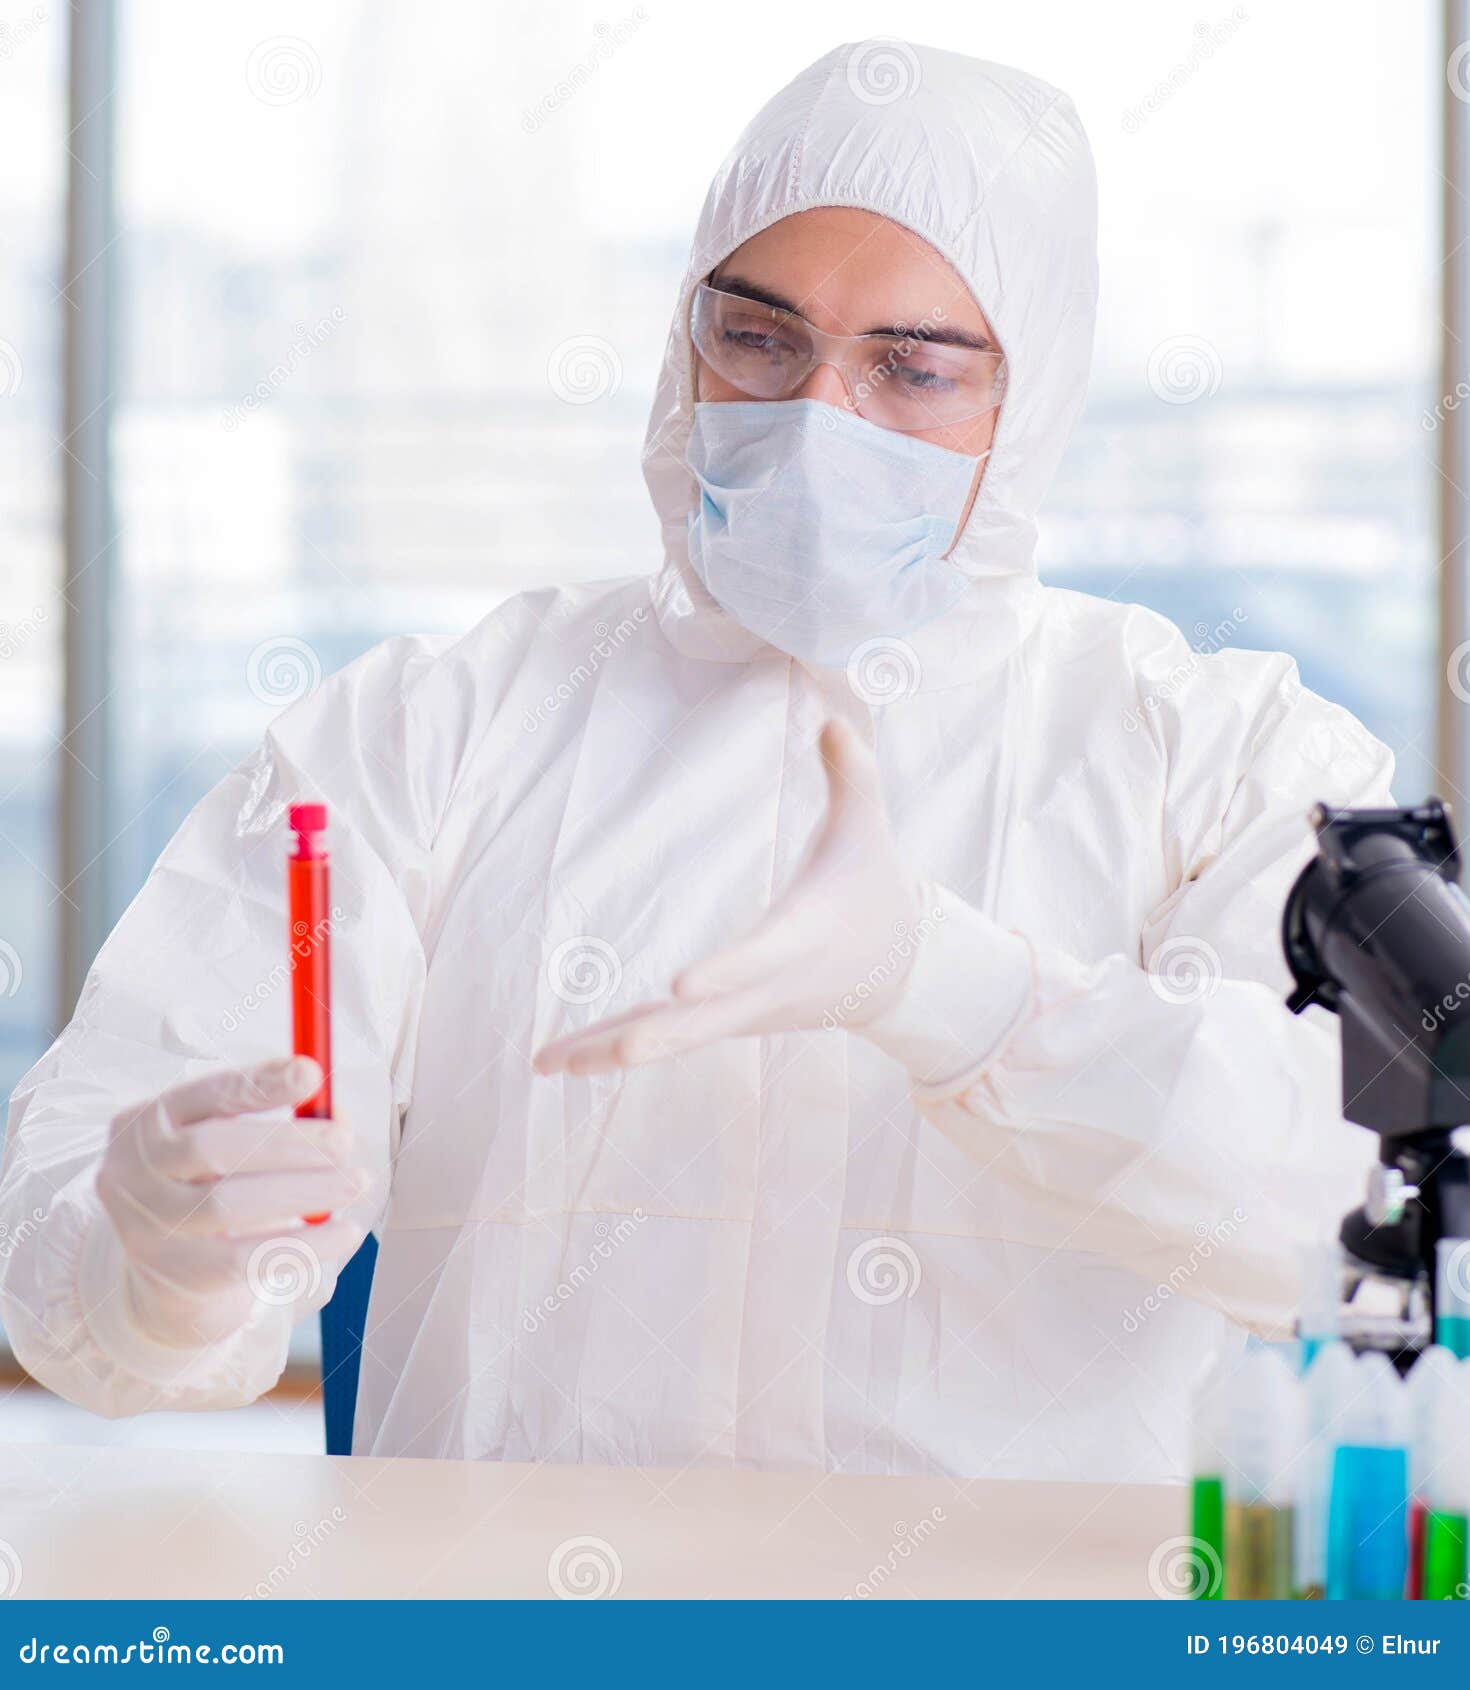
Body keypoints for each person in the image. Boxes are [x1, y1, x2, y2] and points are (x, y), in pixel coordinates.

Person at [0, 40, 1388, 1481]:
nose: (812, 424)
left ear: (1026, 405)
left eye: (911, 368)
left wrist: (953, 992)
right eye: (758, 340)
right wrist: (156, 1256)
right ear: (683, 343)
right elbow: (90, 1270)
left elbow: (1359, 1202)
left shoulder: (1223, 756)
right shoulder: (432, 729)